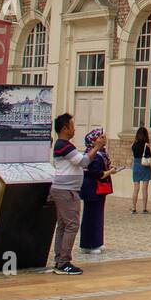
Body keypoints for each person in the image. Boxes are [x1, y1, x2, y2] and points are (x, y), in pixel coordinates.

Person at [50, 113, 104, 275]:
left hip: (64, 189)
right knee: (72, 225)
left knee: (63, 225)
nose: (74, 129)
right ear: (65, 128)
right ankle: (63, 262)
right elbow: (83, 161)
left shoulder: (64, 145)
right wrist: (97, 147)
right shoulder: (64, 145)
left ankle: (59, 259)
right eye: (72, 126)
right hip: (66, 190)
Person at [79, 128, 115, 252]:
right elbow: (97, 174)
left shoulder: (101, 154)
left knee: (97, 216)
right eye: (101, 137)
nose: (104, 139)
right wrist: (110, 171)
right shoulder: (94, 155)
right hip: (92, 188)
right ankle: (88, 244)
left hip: (98, 189)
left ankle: (97, 242)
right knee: (91, 216)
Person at [131, 126, 151, 214]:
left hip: (136, 166)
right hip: (144, 166)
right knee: (145, 189)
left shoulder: (133, 145)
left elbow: (133, 154)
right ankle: (144, 208)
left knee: (136, 188)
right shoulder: (146, 146)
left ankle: (133, 208)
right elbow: (150, 157)